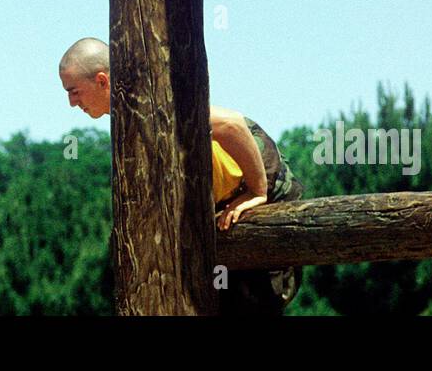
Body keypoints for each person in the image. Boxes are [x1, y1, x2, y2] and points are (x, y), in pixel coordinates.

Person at [58, 37, 306, 315]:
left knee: (255, 303)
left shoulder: (148, 103)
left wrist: (257, 191)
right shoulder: (126, 113)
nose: (71, 102)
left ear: (102, 80)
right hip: (215, 202)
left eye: (74, 91)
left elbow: (232, 124)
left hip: (259, 182)